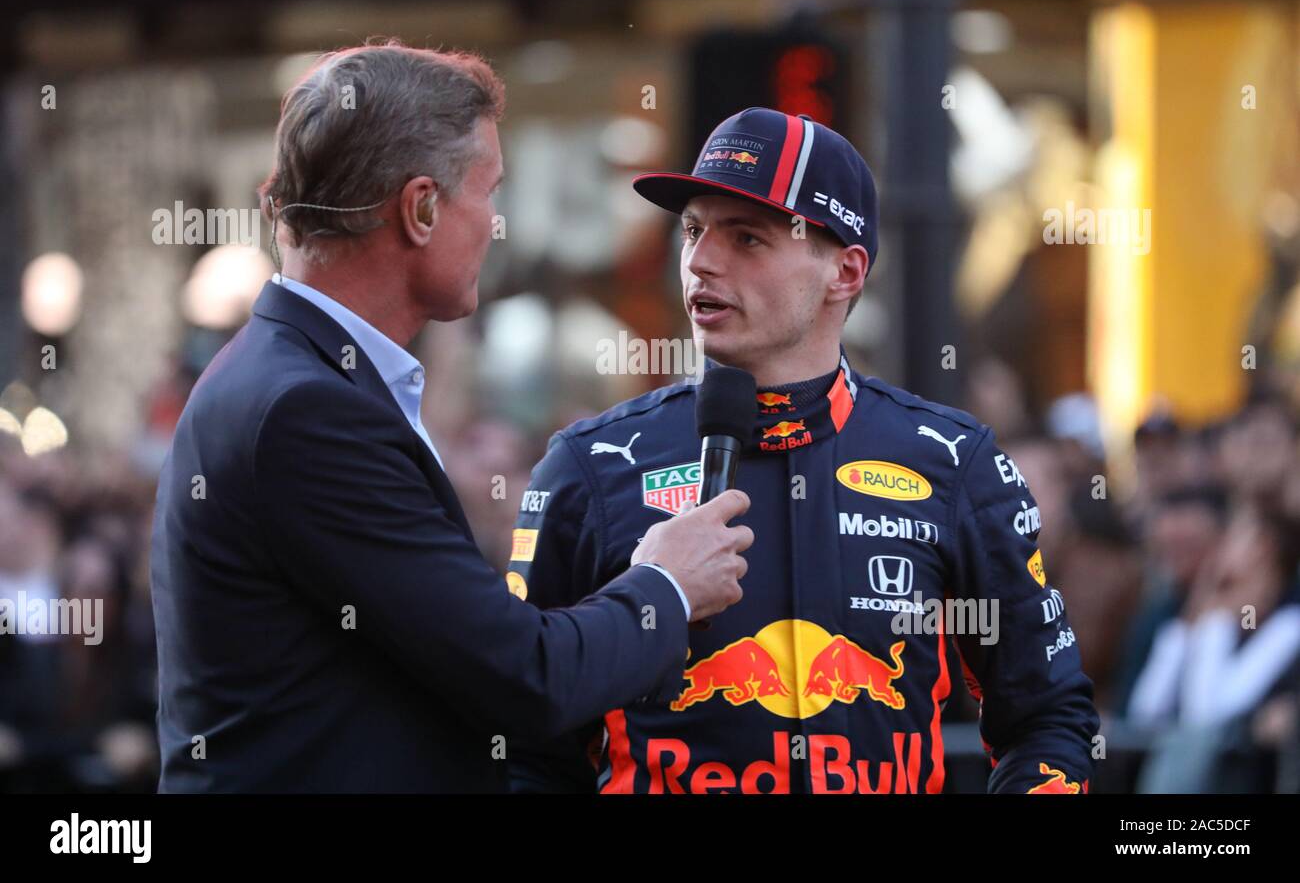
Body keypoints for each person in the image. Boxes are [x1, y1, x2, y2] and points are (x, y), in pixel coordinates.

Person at [149, 43, 753, 793]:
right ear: (422, 208)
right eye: (490, 192)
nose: (495, 224)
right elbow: (523, 678)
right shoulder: (307, 408)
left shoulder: (294, 377)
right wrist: (666, 583)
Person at [507, 107, 1099, 794]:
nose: (701, 260)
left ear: (845, 272)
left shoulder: (954, 462)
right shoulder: (591, 468)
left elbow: (1048, 718)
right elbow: (526, 746)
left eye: (748, 239)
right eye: (693, 231)